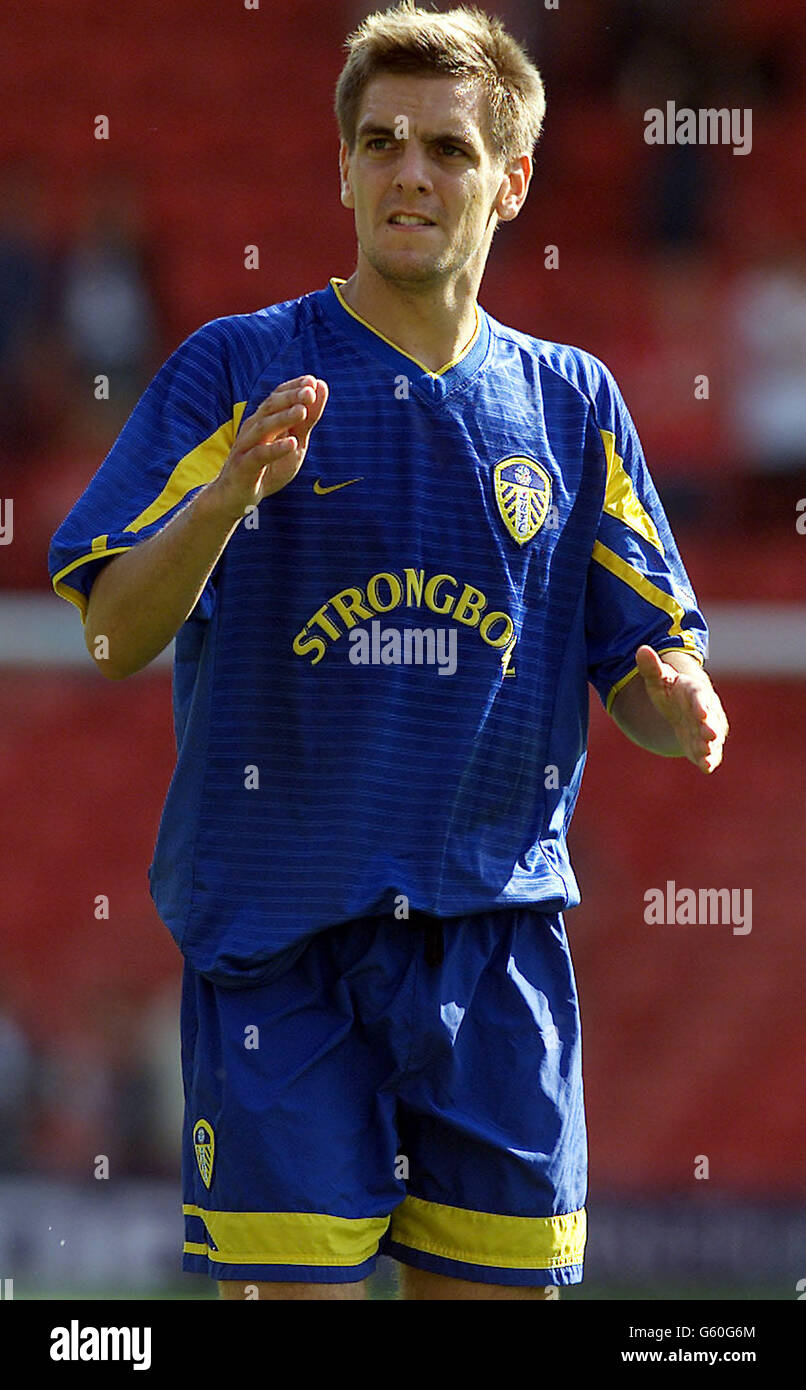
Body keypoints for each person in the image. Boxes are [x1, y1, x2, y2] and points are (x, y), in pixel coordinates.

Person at [48, 1, 728, 1301]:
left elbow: (642, 665)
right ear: (342, 168)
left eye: (448, 149)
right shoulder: (239, 368)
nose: (409, 172)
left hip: (497, 941)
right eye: (381, 143)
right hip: (284, 948)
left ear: (511, 179)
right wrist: (225, 496)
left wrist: (670, 698)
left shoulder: (571, 402)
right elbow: (108, 627)